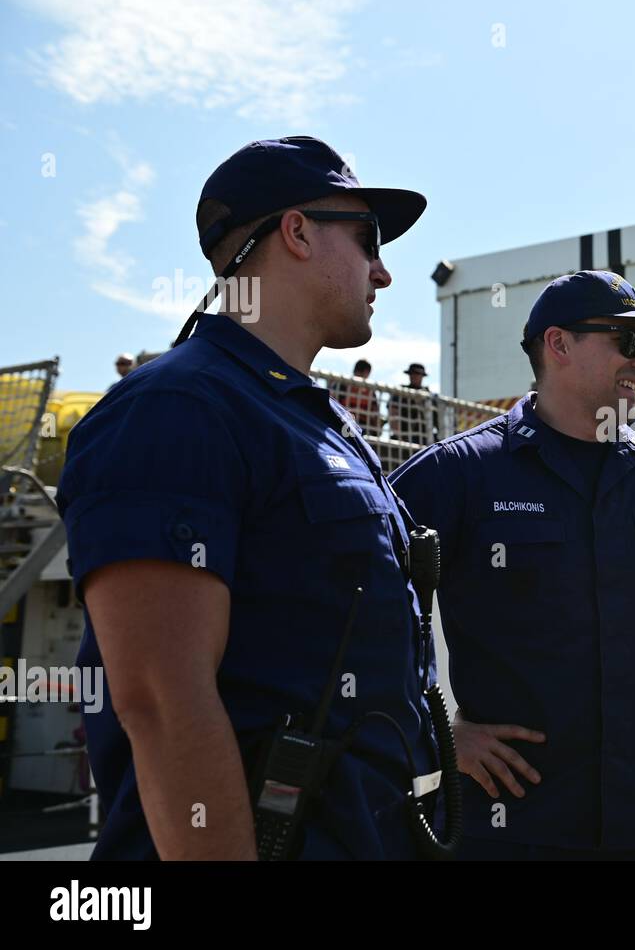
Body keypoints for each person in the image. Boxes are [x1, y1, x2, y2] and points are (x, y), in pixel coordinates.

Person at [56, 136, 438, 859]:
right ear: (296, 232)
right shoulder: (175, 408)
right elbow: (163, 704)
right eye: (367, 240)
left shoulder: (322, 424)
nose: (383, 272)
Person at [390, 270, 635, 860]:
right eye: (628, 342)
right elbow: (355, 604)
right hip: (507, 834)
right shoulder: (459, 474)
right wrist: (430, 728)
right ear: (558, 344)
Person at [335, 358, 382, 437]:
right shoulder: (370, 391)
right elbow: (375, 413)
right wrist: (378, 431)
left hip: (344, 424)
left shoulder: (342, 385)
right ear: (367, 372)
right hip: (353, 425)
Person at [388, 362, 432, 444]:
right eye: (412, 373)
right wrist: (400, 437)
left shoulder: (428, 395)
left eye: (417, 373)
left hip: (423, 439)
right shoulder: (401, 391)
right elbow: (393, 413)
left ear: (422, 376)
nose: (414, 376)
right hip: (403, 437)